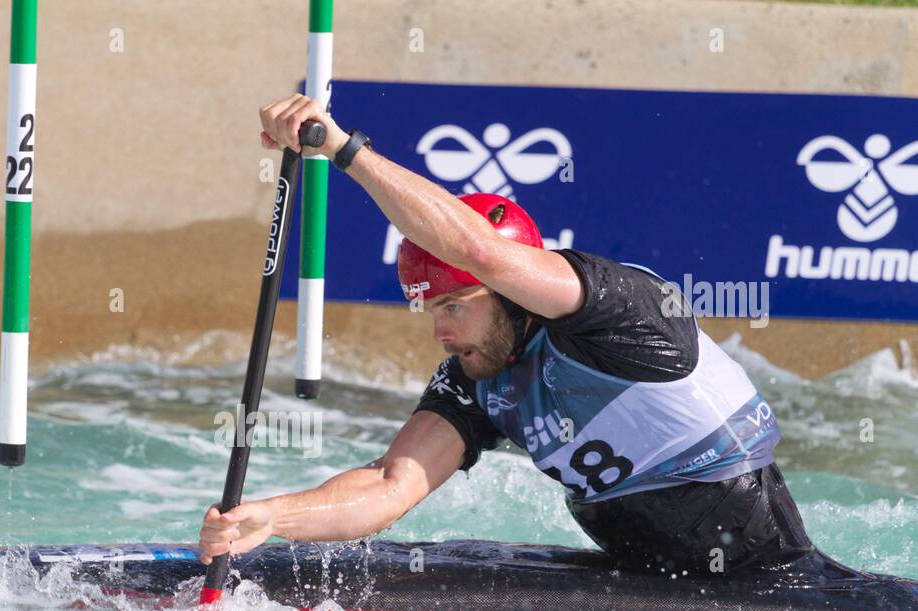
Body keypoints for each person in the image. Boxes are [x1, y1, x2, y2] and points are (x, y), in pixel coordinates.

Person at [198, 93, 815, 575]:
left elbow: (479, 251)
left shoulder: (618, 311)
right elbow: (389, 489)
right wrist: (271, 518)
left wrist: (341, 149)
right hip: (641, 568)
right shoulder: (478, 376)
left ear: (510, 292)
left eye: (452, 306)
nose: (439, 331)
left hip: (758, 560)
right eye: (429, 311)